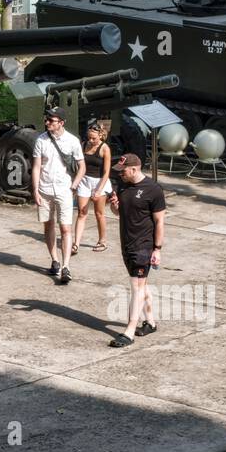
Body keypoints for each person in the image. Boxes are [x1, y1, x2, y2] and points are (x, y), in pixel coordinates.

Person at [106, 153, 165, 348]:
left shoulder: (153, 190)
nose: (120, 174)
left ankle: (130, 330)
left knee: (136, 287)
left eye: (123, 171)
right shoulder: (123, 186)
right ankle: (151, 322)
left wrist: (157, 249)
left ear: (134, 169)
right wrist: (115, 207)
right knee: (141, 284)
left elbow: (159, 221)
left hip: (143, 245)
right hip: (127, 243)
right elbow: (120, 212)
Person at [31, 107, 83, 283]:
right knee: (48, 225)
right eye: (46, 119)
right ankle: (55, 259)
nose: (47, 123)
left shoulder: (72, 141)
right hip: (45, 189)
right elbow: (37, 167)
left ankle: (66, 266)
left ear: (61, 123)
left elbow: (81, 166)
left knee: (66, 228)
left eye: (51, 120)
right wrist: (35, 190)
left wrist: (74, 186)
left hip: (64, 189)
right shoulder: (41, 140)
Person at [73, 120, 112, 254]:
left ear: (101, 136)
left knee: (99, 213)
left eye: (93, 138)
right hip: (85, 180)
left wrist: (99, 190)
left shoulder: (104, 148)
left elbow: (107, 172)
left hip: (99, 181)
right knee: (81, 213)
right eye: (89, 137)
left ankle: (102, 241)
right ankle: (76, 243)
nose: (91, 140)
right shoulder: (83, 145)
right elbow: (79, 166)